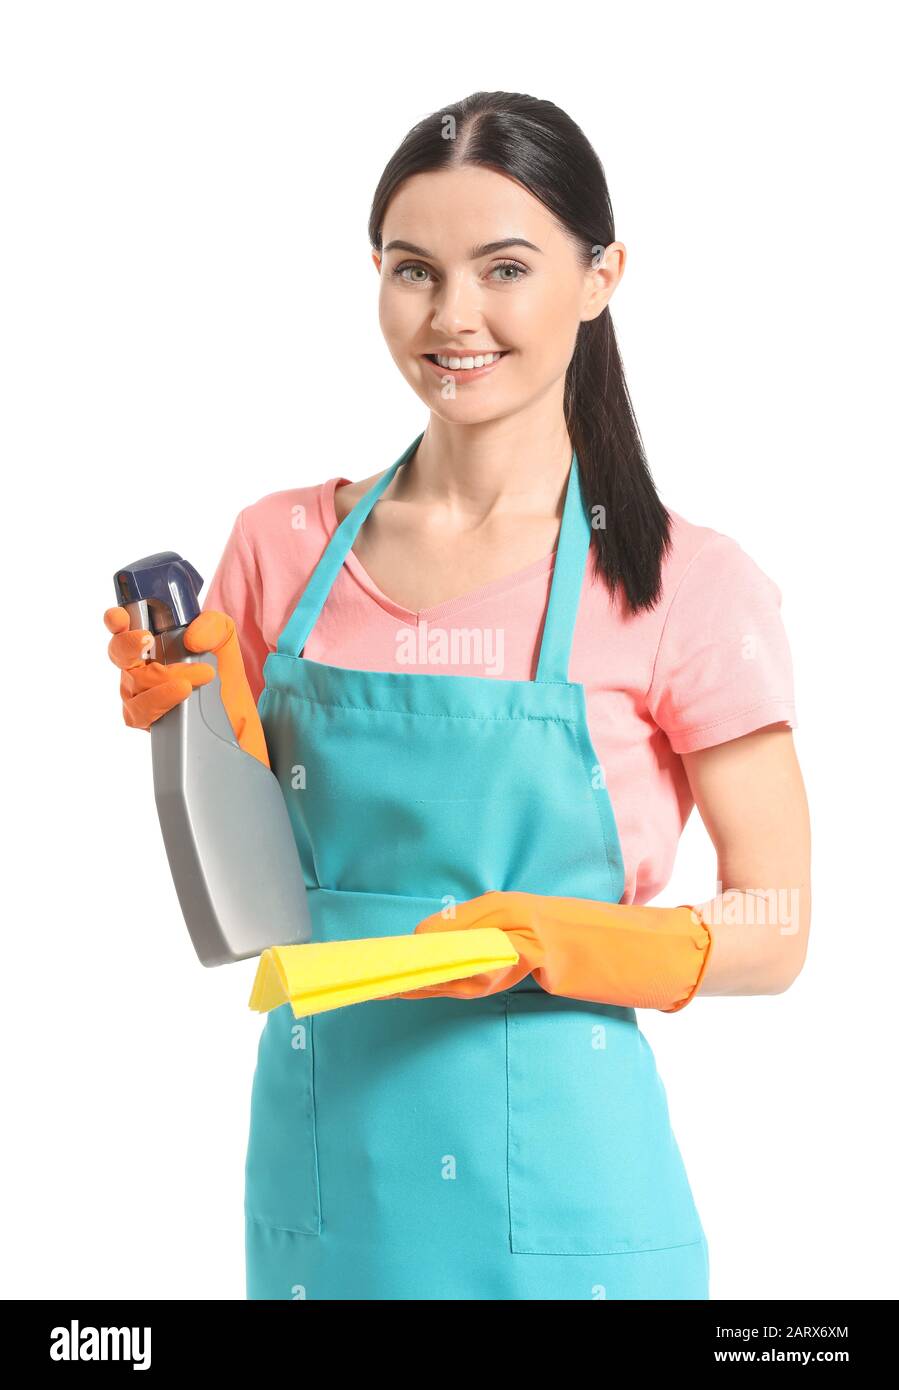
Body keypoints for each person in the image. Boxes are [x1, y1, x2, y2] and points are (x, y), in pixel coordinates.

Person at [104, 90, 810, 1301]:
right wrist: (189, 730)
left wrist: (565, 941)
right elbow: (250, 898)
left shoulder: (684, 583)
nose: (454, 316)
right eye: (412, 269)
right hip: (326, 1191)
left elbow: (777, 924)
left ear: (599, 278)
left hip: (574, 1202)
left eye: (505, 267)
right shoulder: (277, 547)